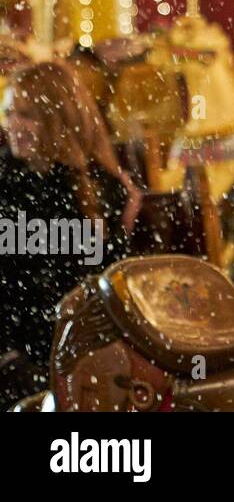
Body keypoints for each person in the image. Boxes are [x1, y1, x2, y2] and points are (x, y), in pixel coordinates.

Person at [0, 60, 142, 406]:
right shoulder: (7, 175)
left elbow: (98, 293)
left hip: (62, 352)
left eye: (28, 115)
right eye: (10, 113)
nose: (14, 125)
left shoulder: (95, 187)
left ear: (59, 122)